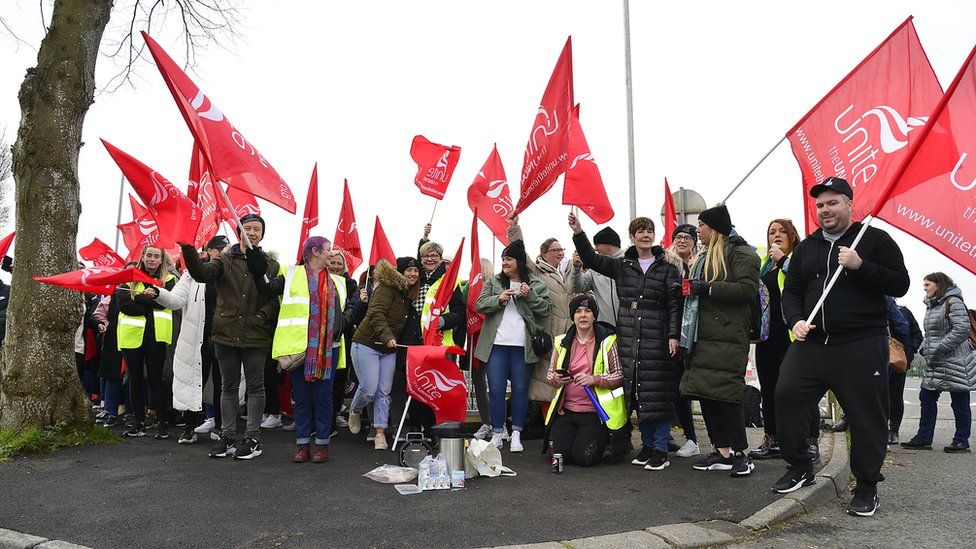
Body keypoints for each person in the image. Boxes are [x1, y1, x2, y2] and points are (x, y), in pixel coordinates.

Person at [774, 177, 909, 517]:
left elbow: (901, 283)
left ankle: (866, 487)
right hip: (814, 341)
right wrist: (795, 320)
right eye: (820, 205)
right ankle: (801, 464)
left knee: (867, 416)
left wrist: (862, 266)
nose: (825, 210)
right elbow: (791, 291)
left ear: (850, 204)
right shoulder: (807, 247)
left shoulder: (874, 240)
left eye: (833, 203)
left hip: (862, 342)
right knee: (786, 395)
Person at [570, 213, 682, 470]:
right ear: (632, 237)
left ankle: (661, 450)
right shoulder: (623, 265)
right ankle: (647, 444)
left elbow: (675, 305)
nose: (646, 235)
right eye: (640, 231)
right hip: (630, 334)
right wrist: (578, 233)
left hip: (658, 333)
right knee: (637, 391)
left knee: (659, 392)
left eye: (650, 230)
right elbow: (591, 259)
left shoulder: (668, 268)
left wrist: (673, 336)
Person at [179, 213, 281, 460]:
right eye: (248, 228)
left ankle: (253, 438)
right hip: (225, 334)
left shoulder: (270, 264)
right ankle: (227, 436)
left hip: (255, 336)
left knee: (256, 388)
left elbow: (273, 300)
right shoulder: (224, 260)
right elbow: (202, 274)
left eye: (257, 228)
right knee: (228, 387)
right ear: (239, 232)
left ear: (262, 234)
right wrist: (188, 248)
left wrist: (260, 318)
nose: (253, 232)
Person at [675, 205, 760, 476]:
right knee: (706, 393)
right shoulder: (704, 256)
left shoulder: (742, 252)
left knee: (727, 395)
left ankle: (741, 454)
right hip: (703, 336)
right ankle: (721, 451)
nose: (697, 230)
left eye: (701, 225)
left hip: (727, 336)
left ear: (715, 228)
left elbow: (747, 289)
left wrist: (707, 288)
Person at [250, 236, 346, 462]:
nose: (331, 255)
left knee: (323, 399)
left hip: (327, 350)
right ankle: (302, 445)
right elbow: (266, 289)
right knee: (302, 399)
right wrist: (256, 266)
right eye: (328, 250)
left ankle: (322, 445)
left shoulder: (338, 282)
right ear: (315, 251)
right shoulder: (290, 274)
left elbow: (344, 314)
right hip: (297, 350)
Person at [749, 219, 820, 462]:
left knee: (799, 391)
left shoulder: (801, 256)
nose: (776, 235)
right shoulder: (763, 260)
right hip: (768, 337)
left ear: (792, 236)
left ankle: (810, 440)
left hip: (794, 336)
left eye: (782, 231)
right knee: (770, 390)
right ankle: (772, 438)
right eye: (772, 232)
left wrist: (783, 260)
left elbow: (809, 282)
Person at [147, 236, 228, 444]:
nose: (221, 253)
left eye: (225, 249)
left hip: (224, 338)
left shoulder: (231, 274)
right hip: (197, 338)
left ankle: (221, 426)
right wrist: (158, 293)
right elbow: (175, 300)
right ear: (208, 251)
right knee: (194, 381)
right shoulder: (191, 276)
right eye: (217, 249)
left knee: (222, 383)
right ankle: (189, 427)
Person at [474, 240, 552, 452]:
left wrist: (530, 296)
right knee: (496, 390)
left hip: (522, 346)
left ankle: (516, 434)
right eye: (503, 259)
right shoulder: (493, 282)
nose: (504, 263)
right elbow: (479, 304)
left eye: (508, 259)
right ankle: (498, 433)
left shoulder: (535, 284)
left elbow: (545, 310)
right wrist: (498, 299)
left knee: (520, 390)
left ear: (518, 261)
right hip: (496, 345)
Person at [544, 295, 625, 467]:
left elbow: (619, 376)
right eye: (578, 312)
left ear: (594, 316)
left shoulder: (608, 341)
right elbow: (550, 374)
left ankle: (606, 443)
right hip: (567, 411)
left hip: (595, 412)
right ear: (573, 317)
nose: (583, 315)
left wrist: (593, 379)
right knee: (560, 455)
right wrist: (557, 379)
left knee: (583, 458)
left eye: (588, 311)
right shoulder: (561, 342)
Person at [349, 257, 420, 450]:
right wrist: (387, 335)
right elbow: (375, 313)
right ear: (400, 272)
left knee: (384, 392)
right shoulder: (387, 287)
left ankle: (380, 433)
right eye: (409, 270)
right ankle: (355, 410)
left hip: (388, 348)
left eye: (416, 271)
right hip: (367, 344)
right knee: (369, 389)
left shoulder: (408, 294)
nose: (413, 274)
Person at [901, 273, 976, 453]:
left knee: (959, 401)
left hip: (956, 360)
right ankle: (924, 438)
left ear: (938, 284)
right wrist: (925, 349)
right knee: (926, 397)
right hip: (936, 360)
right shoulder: (932, 305)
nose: (924, 288)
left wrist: (941, 348)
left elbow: (962, 329)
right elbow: (930, 333)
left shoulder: (954, 302)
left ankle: (961, 441)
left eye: (927, 284)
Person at [508, 215, 571, 404]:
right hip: (547, 333)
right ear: (544, 253)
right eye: (555, 250)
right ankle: (547, 426)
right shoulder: (536, 271)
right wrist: (514, 227)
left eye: (561, 249)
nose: (560, 253)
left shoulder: (569, 272)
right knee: (546, 384)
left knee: (568, 381)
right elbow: (519, 251)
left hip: (569, 334)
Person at [117, 246, 177, 439]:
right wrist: (150, 301)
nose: (152, 259)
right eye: (149, 255)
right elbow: (124, 305)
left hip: (156, 336)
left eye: (156, 256)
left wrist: (139, 298)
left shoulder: (168, 279)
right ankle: (138, 423)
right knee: (135, 380)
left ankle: (162, 424)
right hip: (131, 335)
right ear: (142, 257)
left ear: (161, 260)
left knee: (155, 380)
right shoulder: (128, 277)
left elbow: (165, 303)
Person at [666, 223, 701, 458]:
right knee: (677, 388)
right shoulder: (667, 266)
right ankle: (690, 437)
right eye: (678, 237)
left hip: (699, 335)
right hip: (674, 335)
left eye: (687, 237)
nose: (682, 241)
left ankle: (720, 442)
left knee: (703, 388)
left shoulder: (702, 265)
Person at [327, 250, 358, 432]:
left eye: (339, 263)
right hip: (318, 338)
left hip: (342, 337)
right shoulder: (316, 281)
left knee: (338, 381)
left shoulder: (350, 284)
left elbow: (352, 310)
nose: (336, 267)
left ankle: (333, 417)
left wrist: (338, 324)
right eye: (332, 263)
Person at [569, 227, 623, 325]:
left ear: (610, 244)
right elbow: (578, 287)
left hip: (630, 330)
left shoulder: (630, 263)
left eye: (597, 244)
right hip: (605, 329)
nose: (595, 249)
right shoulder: (594, 269)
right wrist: (576, 268)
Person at [890, 301, 923, 444]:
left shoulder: (903, 311)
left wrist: (907, 353)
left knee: (895, 395)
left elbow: (917, 335)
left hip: (898, 360)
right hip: (874, 358)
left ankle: (893, 430)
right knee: (871, 395)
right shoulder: (870, 306)